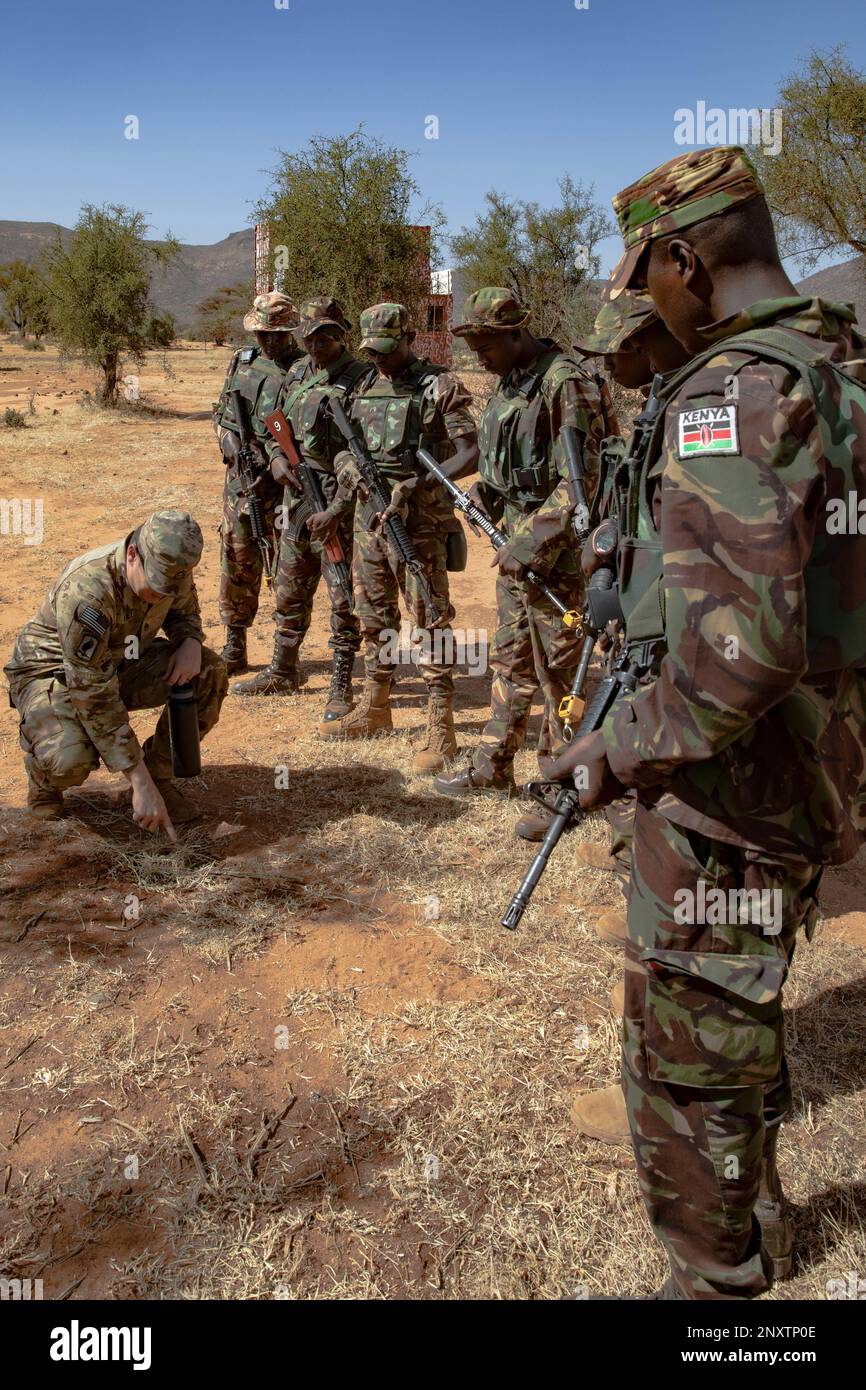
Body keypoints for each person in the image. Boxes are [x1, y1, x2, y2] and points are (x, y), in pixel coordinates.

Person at [545, 144, 866, 1299]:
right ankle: (760, 1200)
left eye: (649, 276)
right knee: (741, 1009)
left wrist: (610, 751)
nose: (649, 302)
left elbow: (738, 659)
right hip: (810, 772)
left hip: (728, 794)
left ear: (684, 257)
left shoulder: (730, 397)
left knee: (686, 1057)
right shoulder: (837, 363)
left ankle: (715, 1282)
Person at [433, 287, 618, 843]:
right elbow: (504, 464)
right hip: (516, 552)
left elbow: (582, 483)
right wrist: (486, 499)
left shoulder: (566, 383)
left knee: (561, 671)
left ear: (515, 334)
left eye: (486, 344)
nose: (479, 357)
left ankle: (562, 782)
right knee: (512, 658)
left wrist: (529, 539)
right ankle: (493, 763)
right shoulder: (510, 382)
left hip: (556, 558)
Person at [314, 302, 478, 774]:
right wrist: (348, 482)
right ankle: (376, 707)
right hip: (370, 521)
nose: (381, 359)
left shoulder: (440, 386)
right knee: (373, 615)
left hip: (420, 525)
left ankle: (441, 724)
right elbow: (344, 450)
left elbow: (471, 453)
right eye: (373, 351)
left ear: (409, 338)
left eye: (388, 350)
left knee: (429, 617)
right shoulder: (364, 383)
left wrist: (417, 485)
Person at [5, 510, 227, 835]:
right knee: (70, 761)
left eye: (169, 587)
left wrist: (190, 640)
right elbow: (93, 693)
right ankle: (44, 776)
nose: (161, 594)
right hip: (55, 673)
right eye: (155, 586)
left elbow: (184, 609)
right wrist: (138, 782)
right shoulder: (88, 591)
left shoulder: (170, 567)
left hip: (121, 658)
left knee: (209, 671)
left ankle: (159, 778)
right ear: (133, 554)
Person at [233, 297, 370, 725]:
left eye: (325, 338)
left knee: (342, 593)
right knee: (290, 583)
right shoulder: (296, 373)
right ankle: (283, 669)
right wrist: (276, 458)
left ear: (341, 336)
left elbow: (362, 455)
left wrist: (338, 508)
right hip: (297, 492)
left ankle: (341, 683)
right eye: (309, 338)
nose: (315, 345)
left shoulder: (361, 379)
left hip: (338, 499)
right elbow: (277, 429)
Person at [212, 291, 304, 678]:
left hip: (285, 485)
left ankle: (285, 654)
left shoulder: (303, 368)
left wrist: (278, 459)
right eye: (262, 333)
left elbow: (302, 430)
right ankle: (235, 642)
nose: (267, 341)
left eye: (276, 334)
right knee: (237, 557)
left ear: (289, 332)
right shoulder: (242, 360)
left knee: (288, 567)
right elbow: (221, 413)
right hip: (242, 481)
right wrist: (228, 442)